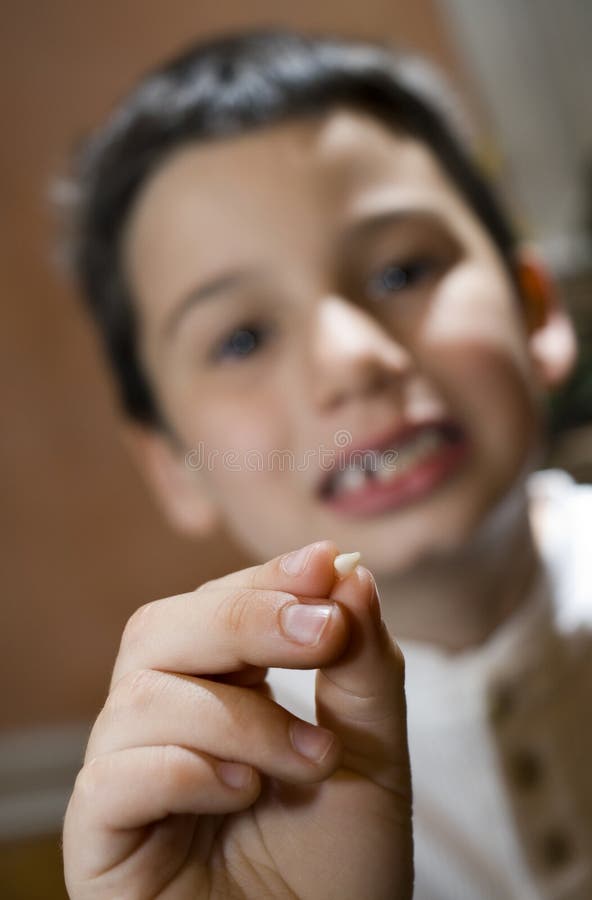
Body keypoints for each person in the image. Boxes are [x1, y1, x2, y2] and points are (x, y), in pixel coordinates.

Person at [60, 26, 592, 900]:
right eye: (241, 337)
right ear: (173, 466)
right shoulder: (208, 801)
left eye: (401, 271)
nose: (352, 355)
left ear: (536, 311)